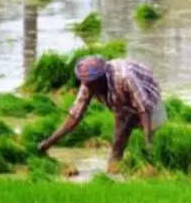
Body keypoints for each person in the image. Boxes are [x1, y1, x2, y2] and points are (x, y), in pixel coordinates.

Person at [37, 56, 166, 173]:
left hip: (146, 92)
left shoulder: (124, 77)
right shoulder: (88, 84)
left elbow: (143, 108)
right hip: (120, 101)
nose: (87, 87)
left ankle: (155, 163)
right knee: (119, 137)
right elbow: (75, 116)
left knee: (154, 133)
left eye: (91, 83)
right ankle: (115, 168)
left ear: (101, 78)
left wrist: (147, 142)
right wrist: (48, 143)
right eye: (85, 83)